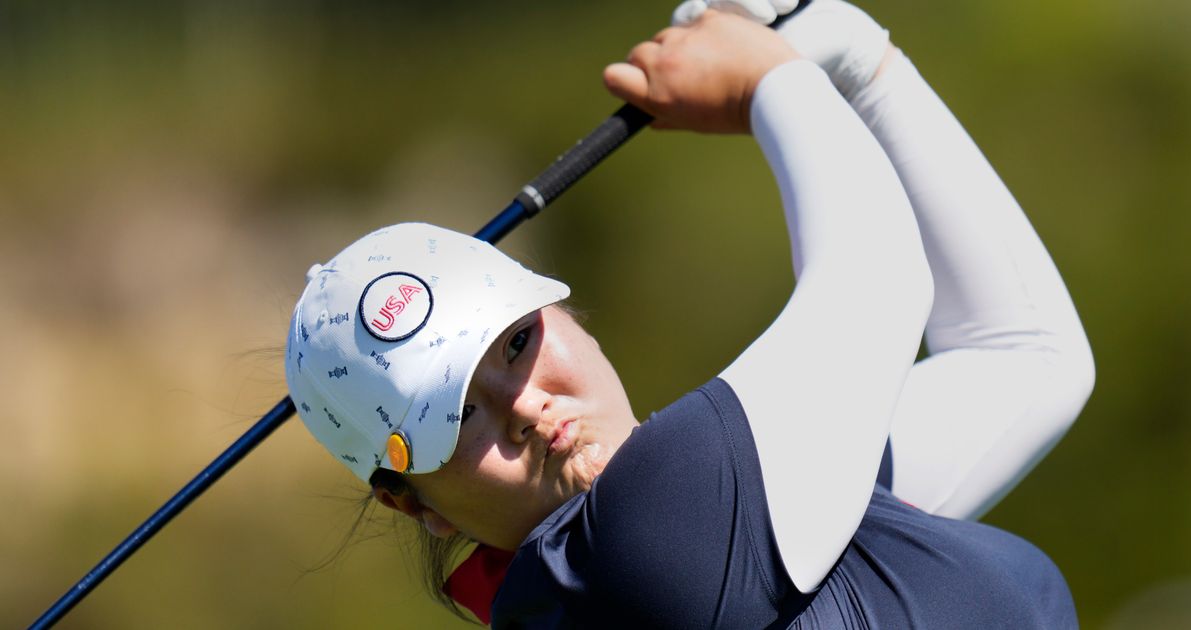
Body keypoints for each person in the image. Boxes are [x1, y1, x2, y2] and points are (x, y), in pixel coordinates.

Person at [284, 1, 1094, 627]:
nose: (525, 406)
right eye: (454, 415)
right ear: (411, 501)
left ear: (564, 311)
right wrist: (771, 76)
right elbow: (877, 271)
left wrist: (864, 67)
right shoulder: (655, 534)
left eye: (518, 342)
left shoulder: (613, 577)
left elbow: (1024, 357)